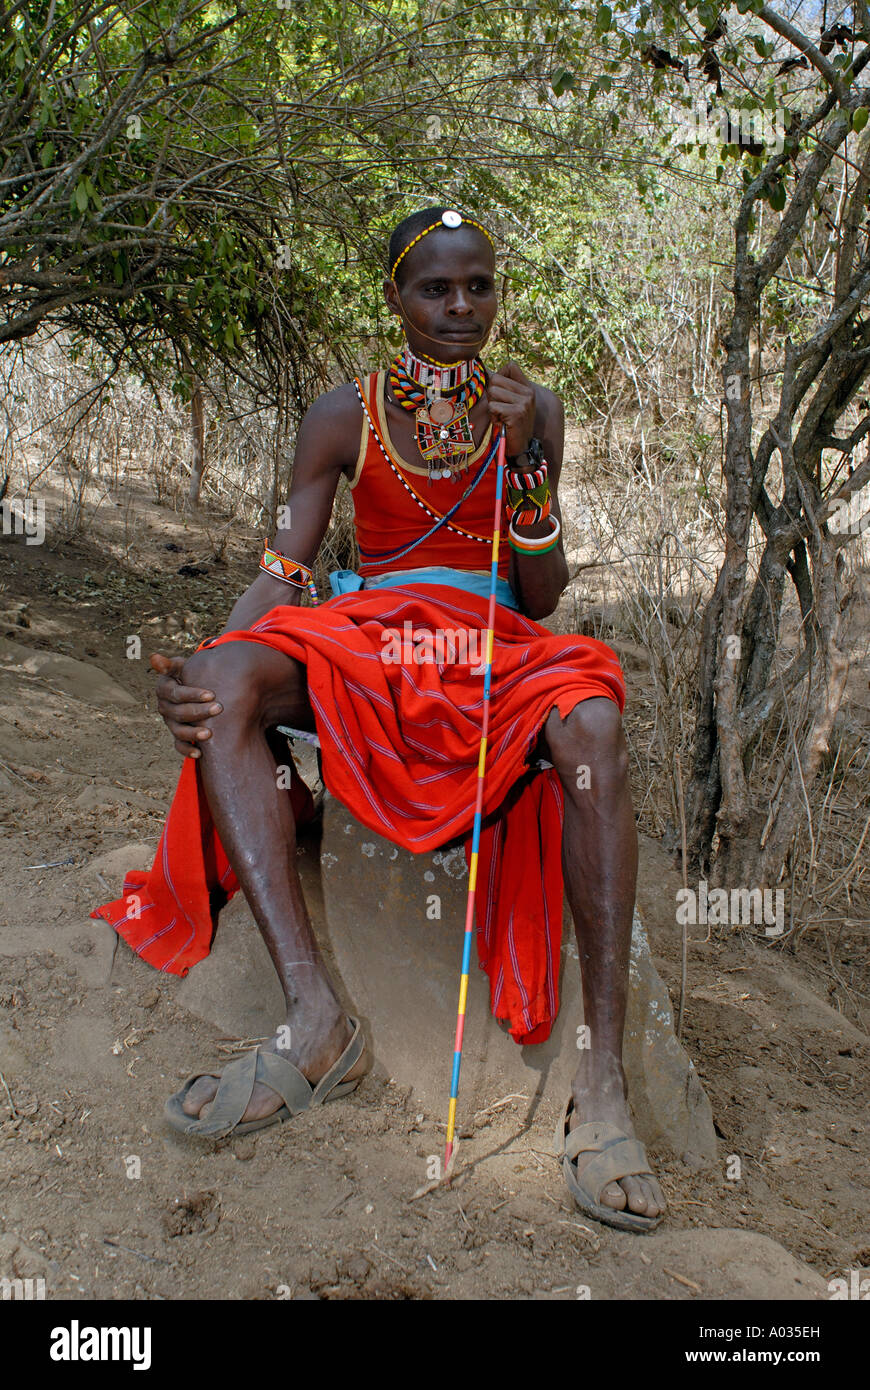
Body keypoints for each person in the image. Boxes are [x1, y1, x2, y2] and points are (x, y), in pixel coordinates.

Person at [94, 207, 666, 1231]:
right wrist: (213, 658)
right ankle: (316, 1017)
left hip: (488, 639)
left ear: (498, 293)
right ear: (397, 299)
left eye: (479, 287)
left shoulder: (535, 406)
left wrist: (527, 462)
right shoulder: (341, 413)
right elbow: (286, 565)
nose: (461, 308)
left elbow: (539, 596)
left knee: (591, 723)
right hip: (373, 635)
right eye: (436, 289)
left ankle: (605, 1079)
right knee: (228, 685)